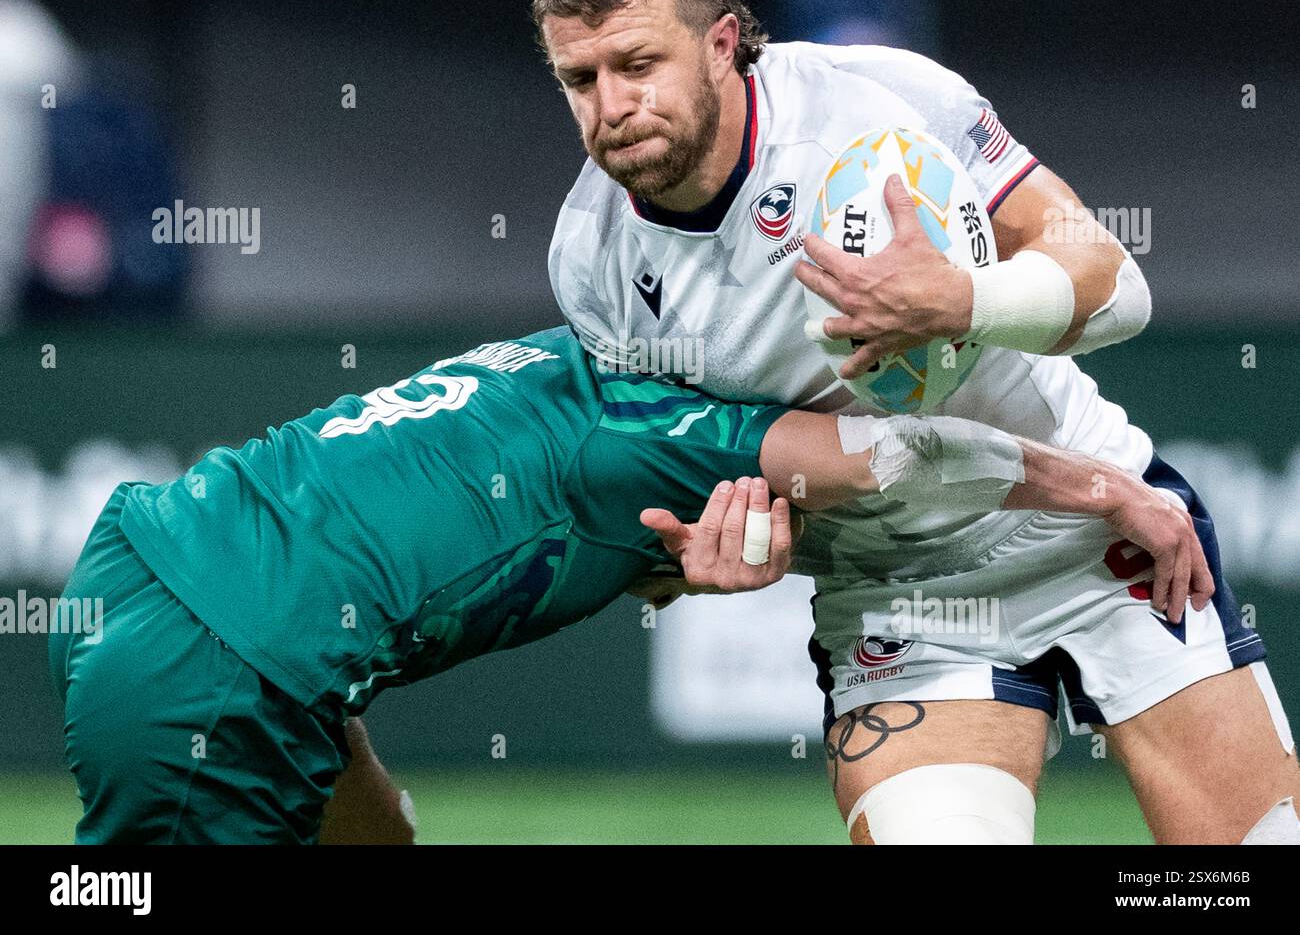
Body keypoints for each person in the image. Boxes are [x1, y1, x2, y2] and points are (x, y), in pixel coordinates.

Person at [536, 0, 1300, 844]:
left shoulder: (876, 96)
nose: (611, 107)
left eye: (638, 65)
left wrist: (963, 302)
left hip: (1102, 537)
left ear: (723, 42)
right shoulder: (590, 264)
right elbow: (664, 520)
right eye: (580, 78)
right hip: (898, 596)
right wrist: (702, 562)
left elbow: (1114, 281)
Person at [51, 325, 1197, 843]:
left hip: (158, 570)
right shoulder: (671, 429)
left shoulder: (567, 357)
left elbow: (567, 539)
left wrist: (701, 571)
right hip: (226, 668)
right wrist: (1112, 493)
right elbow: (910, 456)